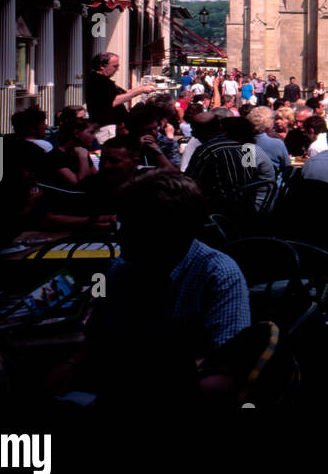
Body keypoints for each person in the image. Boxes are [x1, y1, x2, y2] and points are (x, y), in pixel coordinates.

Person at [76, 170, 251, 405]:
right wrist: (72, 365)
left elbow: (229, 371)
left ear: (166, 232)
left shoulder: (217, 274)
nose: (120, 235)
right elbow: (98, 332)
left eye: (130, 226)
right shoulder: (122, 268)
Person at [85, 52, 156, 132]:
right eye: (115, 66)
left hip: (115, 126)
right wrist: (141, 90)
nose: (117, 69)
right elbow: (114, 101)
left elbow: (124, 94)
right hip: (107, 127)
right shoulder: (97, 81)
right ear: (102, 66)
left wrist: (143, 88)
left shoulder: (104, 81)